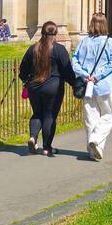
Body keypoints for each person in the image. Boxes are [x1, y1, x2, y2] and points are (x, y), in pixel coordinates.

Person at [17, 21, 74, 157]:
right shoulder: (59, 49)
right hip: (53, 88)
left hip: (34, 87)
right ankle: (47, 148)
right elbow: (67, 71)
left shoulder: (33, 49)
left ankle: (33, 137)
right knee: (49, 116)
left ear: (42, 33)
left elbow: (23, 69)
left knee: (37, 113)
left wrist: (25, 80)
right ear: (55, 34)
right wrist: (75, 84)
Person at [72, 12, 112, 161]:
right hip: (103, 85)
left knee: (90, 117)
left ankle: (94, 151)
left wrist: (84, 75)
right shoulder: (110, 42)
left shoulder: (83, 42)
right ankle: (96, 140)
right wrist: (98, 76)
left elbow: (74, 60)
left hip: (87, 85)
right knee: (108, 114)